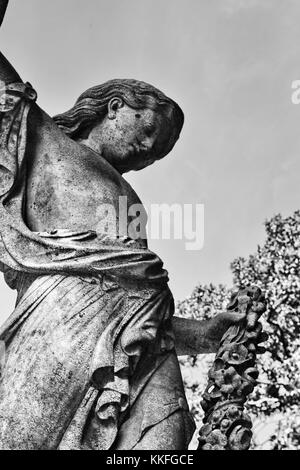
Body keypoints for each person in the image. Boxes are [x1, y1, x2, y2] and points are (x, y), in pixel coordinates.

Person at [0, 0, 245, 450]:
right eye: (150, 129)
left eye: (160, 151)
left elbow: (140, 298)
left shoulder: (130, 201)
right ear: (115, 106)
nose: (150, 149)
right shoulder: (43, 138)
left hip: (146, 346)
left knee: (164, 443)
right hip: (62, 329)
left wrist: (204, 333)